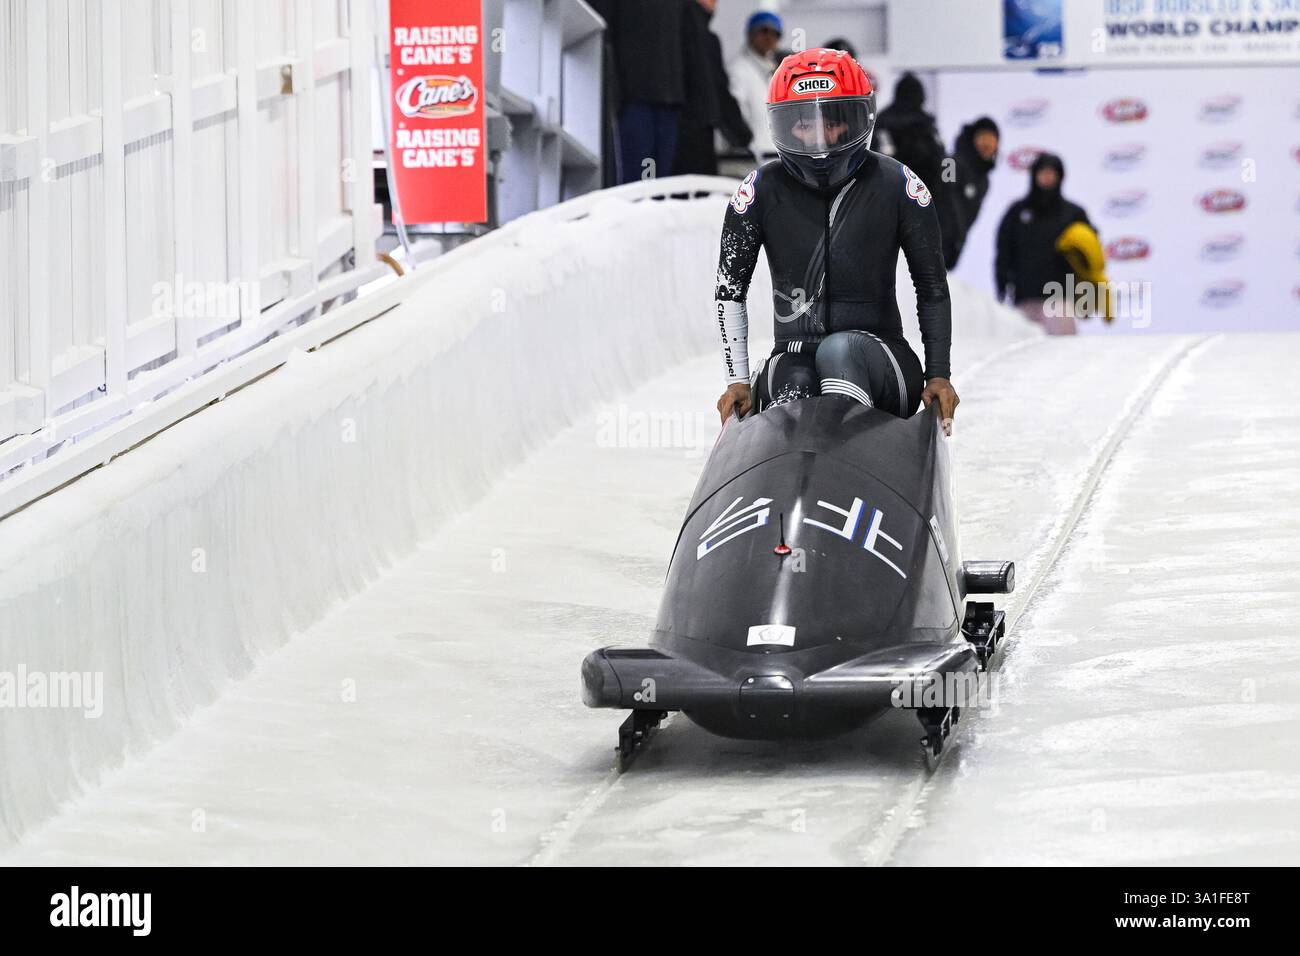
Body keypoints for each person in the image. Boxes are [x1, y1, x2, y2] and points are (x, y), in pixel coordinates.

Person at [713, 48, 958, 434]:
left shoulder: (900, 185)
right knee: (795, 380)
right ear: (782, 126)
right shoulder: (758, 190)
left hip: (883, 359)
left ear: (860, 118)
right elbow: (730, 291)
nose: (821, 141)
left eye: (833, 123)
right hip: (792, 357)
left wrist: (938, 375)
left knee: (838, 351)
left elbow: (931, 287)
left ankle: (846, 454)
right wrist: (738, 381)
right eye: (804, 126)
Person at [591, 0, 692, 183]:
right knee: (640, 180)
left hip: (670, 98)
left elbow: (686, 41)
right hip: (635, 99)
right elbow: (602, 34)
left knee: (660, 182)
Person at [994, 152, 1094, 335]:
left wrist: (1088, 295)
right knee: (1023, 355)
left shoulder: (1074, 214)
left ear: (1060, 176)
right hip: (1025, 298)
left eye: (1052, 173)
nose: (1047, 177)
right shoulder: (1017, 213)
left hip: (1060, 298)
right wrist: (1001, 289)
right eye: (1043, 172)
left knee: (1064, 353)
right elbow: (1004, 252)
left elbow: (1091, 257)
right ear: (1034, 175)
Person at [674, 0, 753, 175]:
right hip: (698, 131)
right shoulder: (704, 38)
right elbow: (718, 89)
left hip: (672, 127)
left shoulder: (670, 32)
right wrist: (741, 134)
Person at [938, 117, 999, 269]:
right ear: (972, 139)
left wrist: (957, 245)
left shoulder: (984, 181)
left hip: (950, 255)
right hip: (928, 246)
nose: (987, 144)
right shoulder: (950, 163)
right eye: (983, 137)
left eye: (992, 140)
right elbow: (942, 195)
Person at [872, 72, 945, 196]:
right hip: (916, 191)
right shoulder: (925, 122)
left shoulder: (884, 120)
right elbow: (943, 155)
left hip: (901, 189)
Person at [726, 11, 784, 162]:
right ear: (751, 34)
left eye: (775, 33)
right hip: (748, 160)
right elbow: (734, 118)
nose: (769, 37)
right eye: (763, 31)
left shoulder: (777, 71)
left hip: (773, 158)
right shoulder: (737, 70)